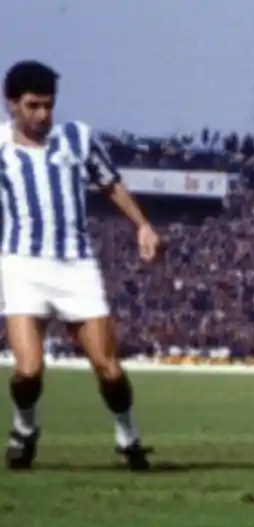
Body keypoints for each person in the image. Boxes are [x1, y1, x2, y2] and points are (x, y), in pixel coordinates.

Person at [1, 60, 163, 471]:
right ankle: (24, 428)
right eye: (33, 106)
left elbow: (110, 183)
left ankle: (127, 436)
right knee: (28, 370)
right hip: (22, 265)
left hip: (76, 266)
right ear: (12, 105)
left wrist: (142, 225)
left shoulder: (77, 138)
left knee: (108, 369)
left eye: (48, 105)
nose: (42, 115)